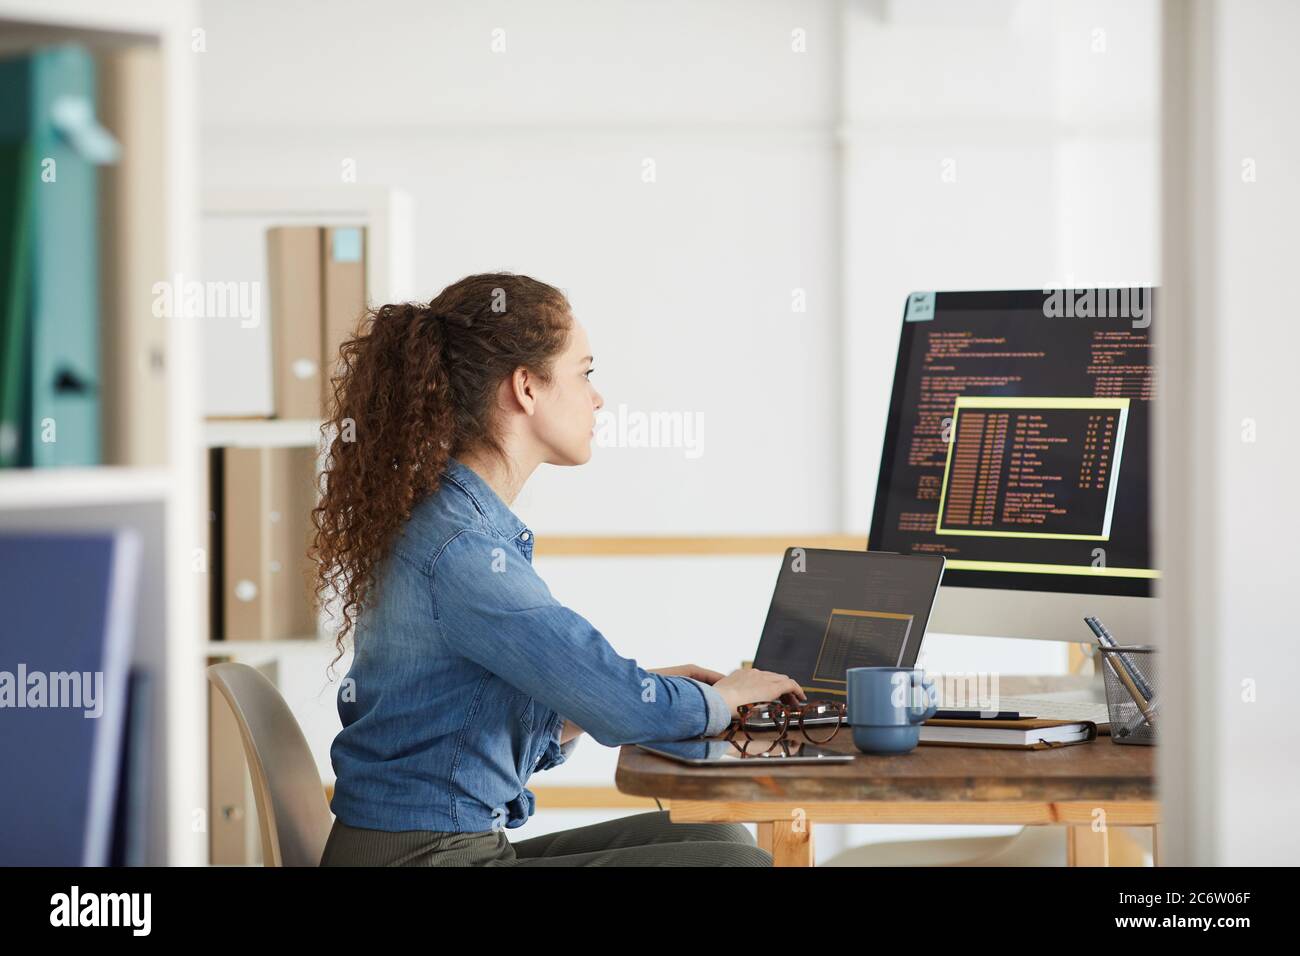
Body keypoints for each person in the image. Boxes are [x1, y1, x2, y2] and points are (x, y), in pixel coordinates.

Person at [312, 273, 803, 866]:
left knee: (721, 840)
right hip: (423, 858)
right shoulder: (464, 549)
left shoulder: (455, 522)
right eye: (585, 372)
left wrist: (632, 696)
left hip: (432, 847)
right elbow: (623, 709)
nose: (597, 399)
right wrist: (716, 700)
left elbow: (467, 719)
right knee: (736, 866)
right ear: (526, 387)